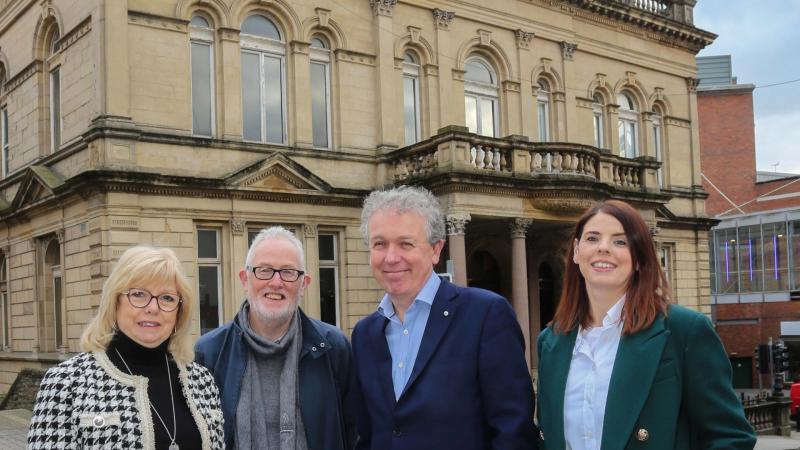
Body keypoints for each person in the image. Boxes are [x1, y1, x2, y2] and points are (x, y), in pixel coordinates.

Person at [536, 200, 756, 449]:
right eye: (592, 238)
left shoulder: (684, 330)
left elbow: (731, 437)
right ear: (576, 251)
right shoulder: (551, 341)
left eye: (620, 241)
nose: (603, 248)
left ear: (640, 258)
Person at [352, 185, 537, 450]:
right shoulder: (365, 334)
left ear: (436, 250)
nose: (391, 257)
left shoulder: (485, 315)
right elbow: (368, 434)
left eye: (406, 243)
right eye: (379, 244)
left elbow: (513, 430)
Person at [28, 246, 224, 449]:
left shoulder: (201, 381)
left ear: (179, 311)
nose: (153, 308)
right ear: (115, 303)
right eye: (138, 294)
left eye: (167, 298)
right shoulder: (68, 382)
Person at [195, 226, 356, 450]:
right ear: (245, 279)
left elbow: (353, 433)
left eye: (288, 272)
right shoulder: (210, 352)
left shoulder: (333, 348)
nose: (276, 282)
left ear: (303, 284)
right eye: (264, 270)